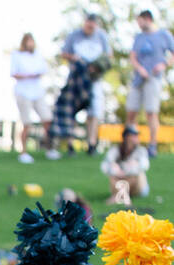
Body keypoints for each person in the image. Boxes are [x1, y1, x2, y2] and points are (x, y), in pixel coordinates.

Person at [51, 13, 111, 158]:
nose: (90, 28)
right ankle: (71, 144)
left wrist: (96, 66)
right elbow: (64, 53)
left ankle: (91, 143)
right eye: (88, 25)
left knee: (94, 112)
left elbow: (108, 57)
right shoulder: (74, 35)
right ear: (84, 23)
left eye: (92, 26)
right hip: (76, 79)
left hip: (94, 80)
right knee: (71, 110)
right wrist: (75, 58)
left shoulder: (101, 36)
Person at [127, 9, 174, 156]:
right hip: (138, 79)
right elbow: (133, 57)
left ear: (147, 19)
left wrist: (164, 64)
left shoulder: (163, 35)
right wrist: (140, 69)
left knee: (151, 112)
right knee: (131, 112)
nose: (138, 24)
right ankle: (131, 144)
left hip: (154, 78)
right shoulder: (139, 37)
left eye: (140, 21)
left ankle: (152, 145)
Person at [12, 33, 52, 163]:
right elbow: (14, 73)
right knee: (26, 123)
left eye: (32, 41)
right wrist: (27, 75)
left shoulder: (38, 55)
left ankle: (49, 149)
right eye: (28, 41)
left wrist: (36, 75)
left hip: (37, 92)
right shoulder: (17, 55)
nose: (30, 43)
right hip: (23, 92)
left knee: (47, 120)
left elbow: (43, 70)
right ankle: (23, 152)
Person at [102, 126, 151, 203]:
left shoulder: (141, 150)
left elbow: (144, 166)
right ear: (127, 137)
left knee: (139, 174)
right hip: (121, 180)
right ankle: (122, 195)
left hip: (139, 188)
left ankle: (119, 196)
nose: (136, 138)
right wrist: (116, 169)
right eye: (134, 135)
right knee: (113, 176)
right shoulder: (116, 150)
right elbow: (105, 166)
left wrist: (126, 171)